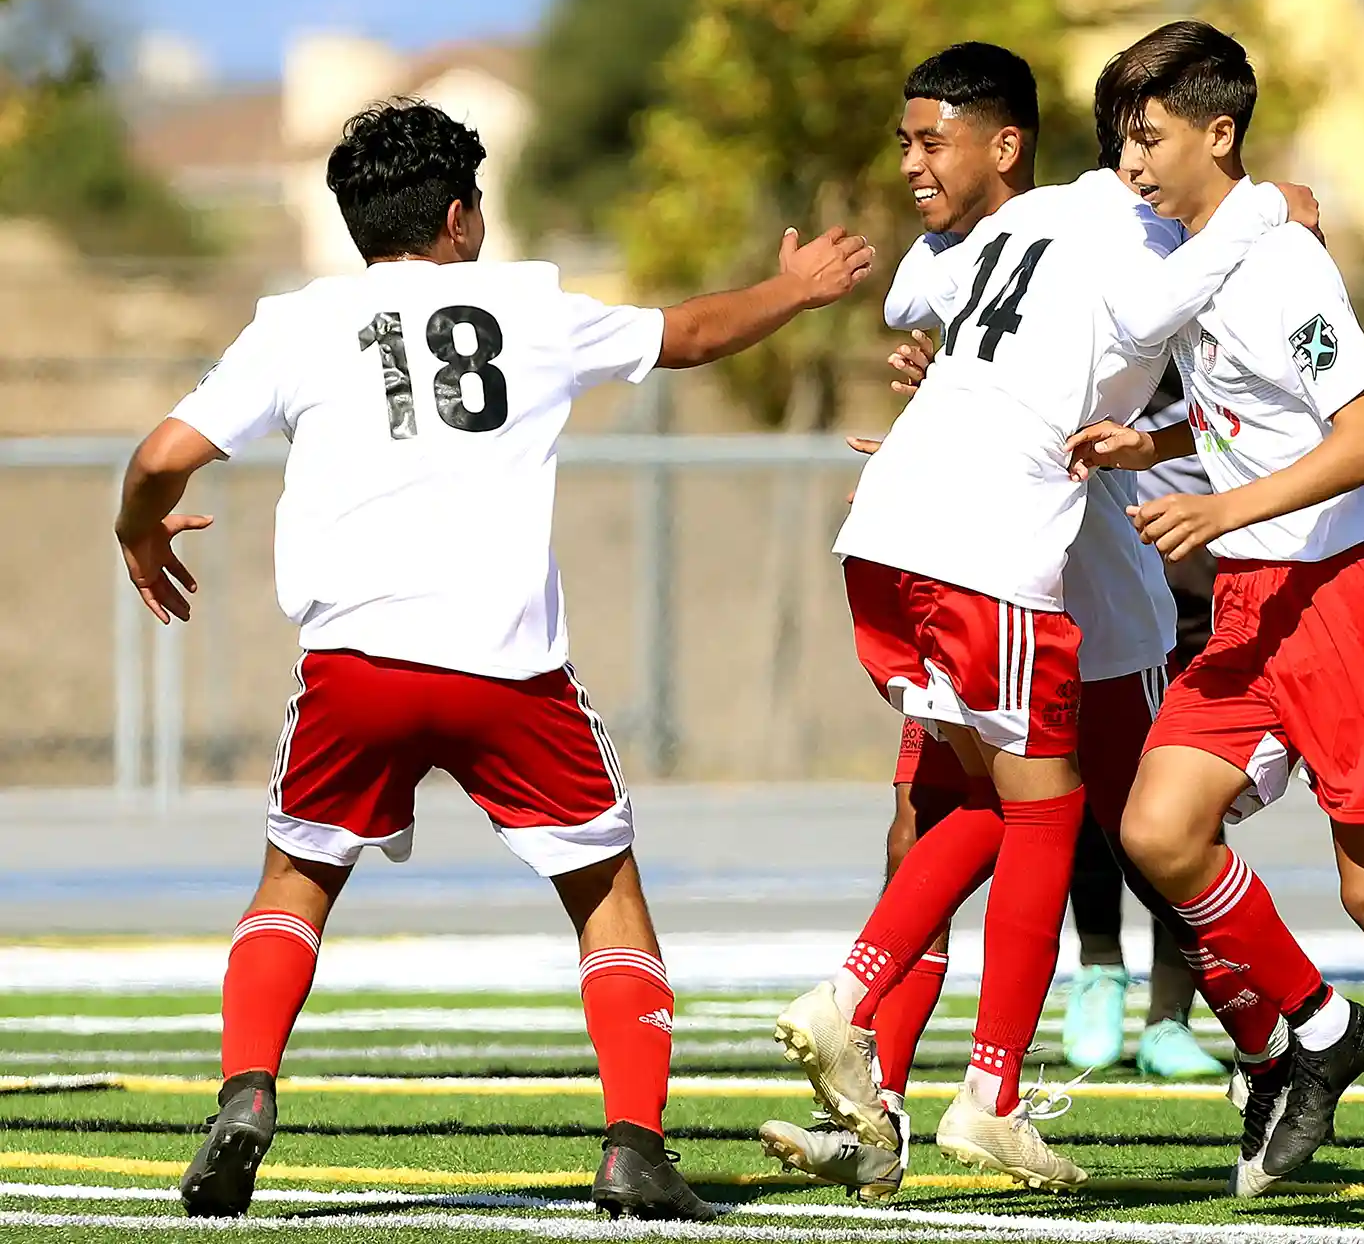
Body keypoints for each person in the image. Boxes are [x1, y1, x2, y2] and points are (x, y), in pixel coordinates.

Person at [112, 98, 875, 1223]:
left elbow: (160, 456)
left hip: (356, 666)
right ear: (460, 216)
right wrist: (797, 288)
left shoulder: (298, 323)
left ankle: (247, 1091)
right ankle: (633, 1146)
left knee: (296, 882)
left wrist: (139, 529)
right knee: (605, 890)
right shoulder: (527, 308)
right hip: (505, 668)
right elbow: (693, 333)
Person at [770, 41, 1289, 1191]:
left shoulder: (1045, 227)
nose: (913, 166)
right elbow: (1095, 313)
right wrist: (1265, 216)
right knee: (1022, 818)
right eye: (1135, 140)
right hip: (1001, 562)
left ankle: (1262, 1045)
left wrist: (956, 376)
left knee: (1126, 839)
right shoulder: (1133, 231)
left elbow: (935, 302)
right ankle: (933, 1078)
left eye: (931, 143)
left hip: (1023, 579)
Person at [1067, 22, 1364, 1224]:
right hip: (1251, 603)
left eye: (1149, 138)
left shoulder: (1281, 263)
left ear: (1218, 132)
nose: (1131, 165)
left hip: (1343, 600)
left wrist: (1221, 505)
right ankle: (1325, 1029)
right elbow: (1251, 407)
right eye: (1123, 141)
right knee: (1156, 828)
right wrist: (1156, 443)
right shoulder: (1208, 250)